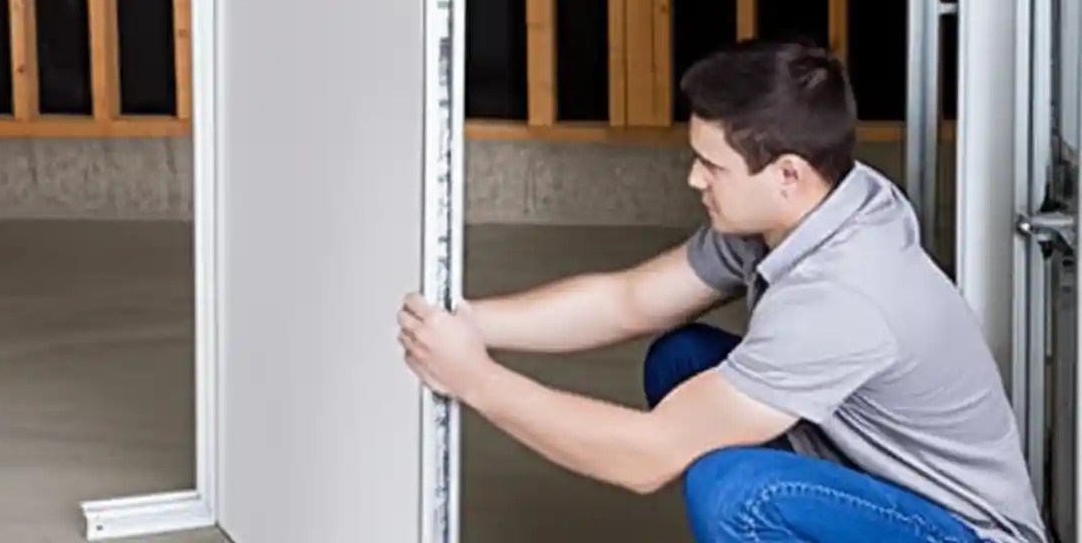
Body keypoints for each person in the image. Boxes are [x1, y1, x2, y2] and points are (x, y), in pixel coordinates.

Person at [397, 39, 1047, 543]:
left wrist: (473, 379)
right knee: (680, 361)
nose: (691, 179)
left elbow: (646, 458)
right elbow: (629, 301)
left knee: (736, 492)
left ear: (787, 174)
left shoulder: (846, 294)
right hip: (876, 483)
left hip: (963, 533)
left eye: (711, 164)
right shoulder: (812, 205)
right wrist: (465, 322)